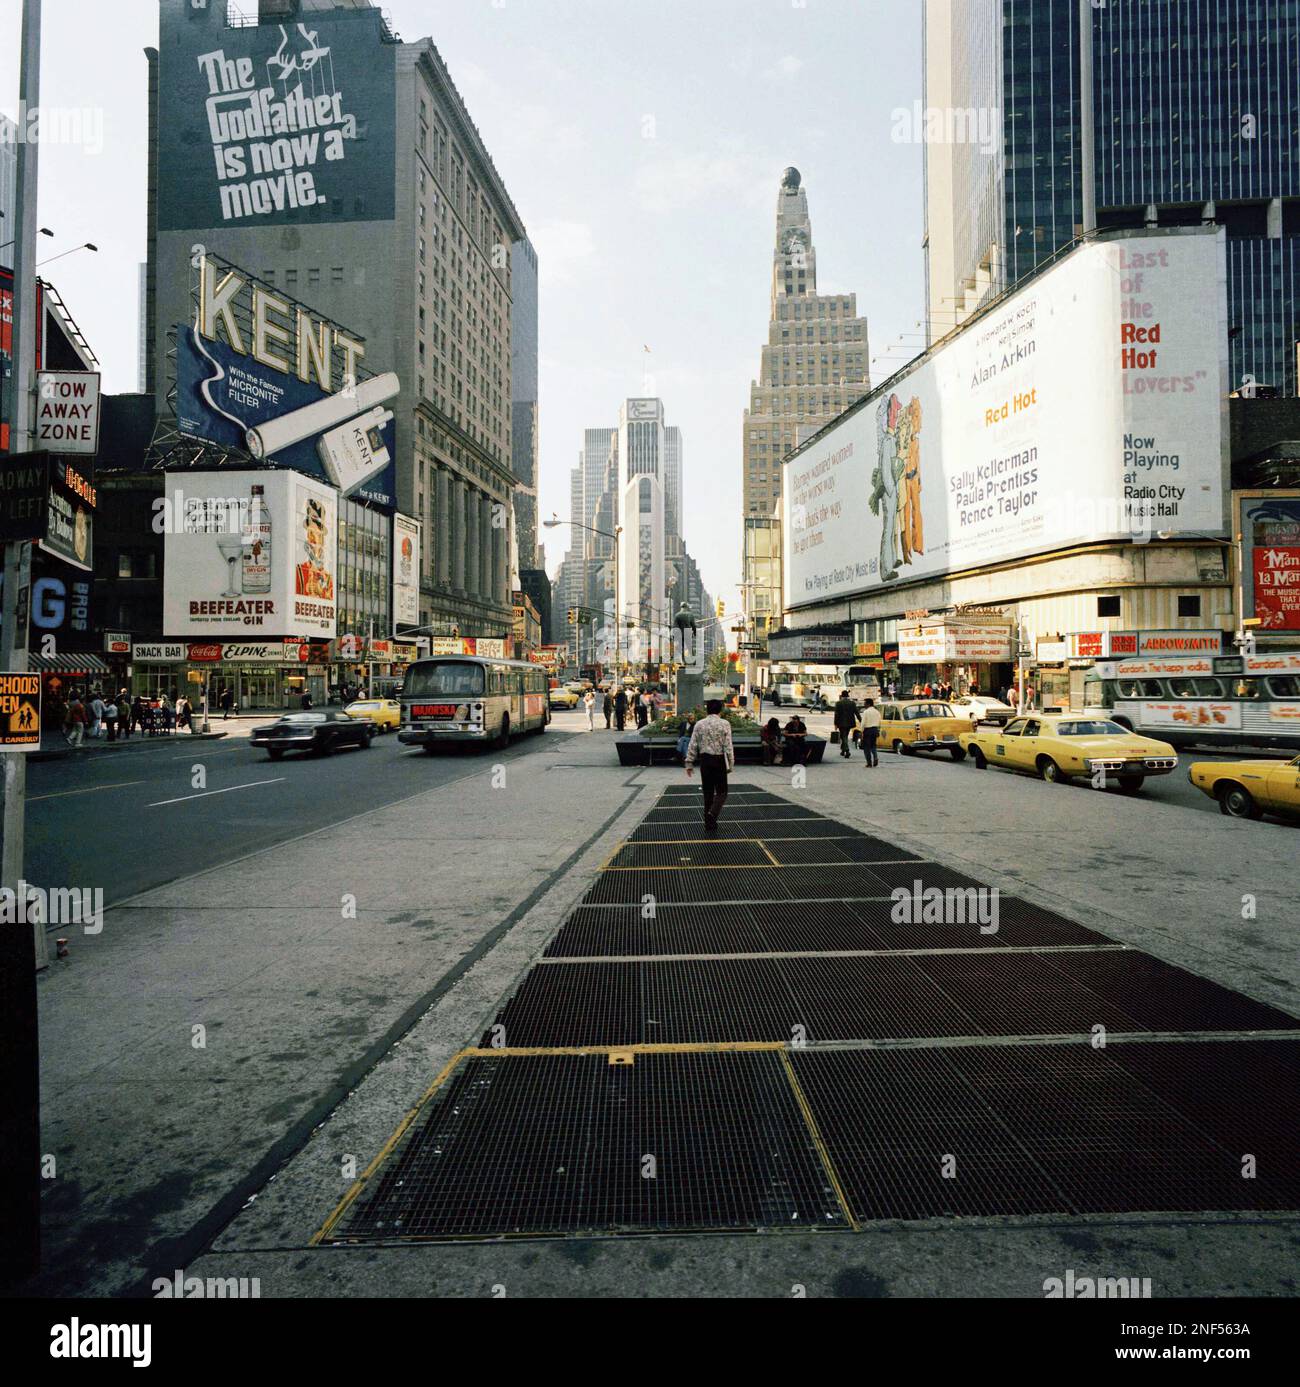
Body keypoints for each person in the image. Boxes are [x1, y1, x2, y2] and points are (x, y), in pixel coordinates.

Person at [685, 699, 734, 833]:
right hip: (719, 760)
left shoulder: (699, 724)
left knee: (708, 793)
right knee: (722, 792)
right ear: (720, 709)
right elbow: (728, 746)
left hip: (705, 760)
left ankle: (709, 825)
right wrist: (730, 763)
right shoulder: (725, 724)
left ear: (707, 709)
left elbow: (693, 744)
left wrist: (689, 762)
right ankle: (713, 813)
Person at [832, 689, 859, 759]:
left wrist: (835, 723)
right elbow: (856, 712)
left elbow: (836, 714)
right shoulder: (852, 703)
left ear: (842, 696)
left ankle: (847, 750)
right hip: (850, 723)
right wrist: (860, 720)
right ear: (848, 696)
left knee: (843, 736)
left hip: (841, 723)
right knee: (845, 736)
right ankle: (843, 750)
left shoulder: (838, 703)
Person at [860, 697, 882, 767]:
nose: (864, 705)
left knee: (866, 747)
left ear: (868, 704)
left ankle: (869, 763)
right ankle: (875, 757)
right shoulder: (877, 712)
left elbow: (863, 723)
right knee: (873, 745)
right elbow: (879, 722)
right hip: (875, 729)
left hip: (868, 730)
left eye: (865, 703)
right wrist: (878, 730)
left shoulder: (866, 712)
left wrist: (861, 731)